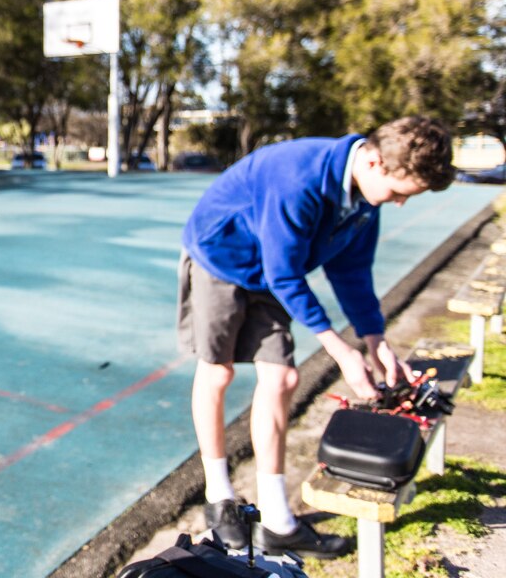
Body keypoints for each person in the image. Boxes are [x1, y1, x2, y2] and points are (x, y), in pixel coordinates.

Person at [177, 117, 455, 558]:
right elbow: (283, 272)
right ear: (374, 160)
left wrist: (375, 340)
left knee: (284, 380)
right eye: (401, 192)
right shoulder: (298, 175)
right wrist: (340, 348)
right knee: (218, 373)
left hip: (271, 275)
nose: (400, 203)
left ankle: (277, 520)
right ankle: (219, 498)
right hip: (221, 259)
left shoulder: (366, 196)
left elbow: (351, 272)